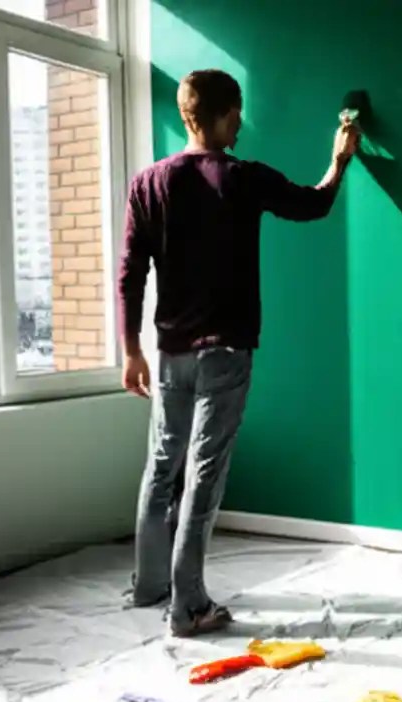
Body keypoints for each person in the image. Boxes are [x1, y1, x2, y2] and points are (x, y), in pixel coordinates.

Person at [116, 69, 360, 637]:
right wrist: (339, 159)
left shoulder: (147, 183)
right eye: (237, 113)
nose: (241, 123)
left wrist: (131, 351)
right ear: (226, 115)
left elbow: (131, 273)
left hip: (171, 351)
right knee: (204, 474)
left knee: (162, 466)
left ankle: (149, 585)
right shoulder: (242, 176)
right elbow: (314, 204)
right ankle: (189, 606)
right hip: (225, 351)